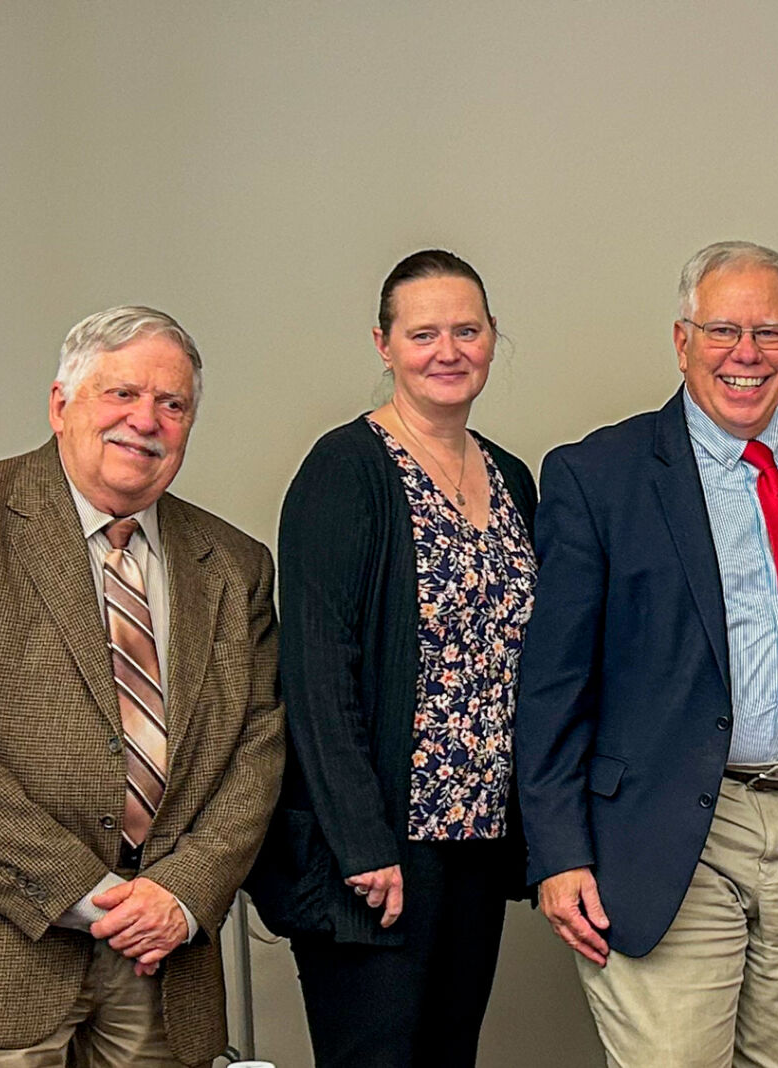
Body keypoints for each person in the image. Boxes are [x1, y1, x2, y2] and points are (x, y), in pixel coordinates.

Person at [0, 306, 285, 1067]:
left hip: (163, 961)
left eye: (173, 404)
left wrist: (184, 894)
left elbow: (258, 746)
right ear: (61, 405)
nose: (146, 422)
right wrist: (78, 888)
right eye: (121, 394)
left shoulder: (236, 562)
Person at [516, 240, 778, 1067]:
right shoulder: (599, 475)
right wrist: (559, 851)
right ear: (681, 342)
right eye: (722, 330)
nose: (746, 355)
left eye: (770, 332)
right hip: (669, 830)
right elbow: (551, 683)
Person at [243, 250, 537, 1067]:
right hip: (376, 852)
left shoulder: (511, 477)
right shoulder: (347, 469)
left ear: (490, 340)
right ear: (384, 344)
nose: (449, 350)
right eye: (424, 332)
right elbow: (315, 674)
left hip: (475, 843)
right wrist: (363, 845)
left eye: (468, 330)